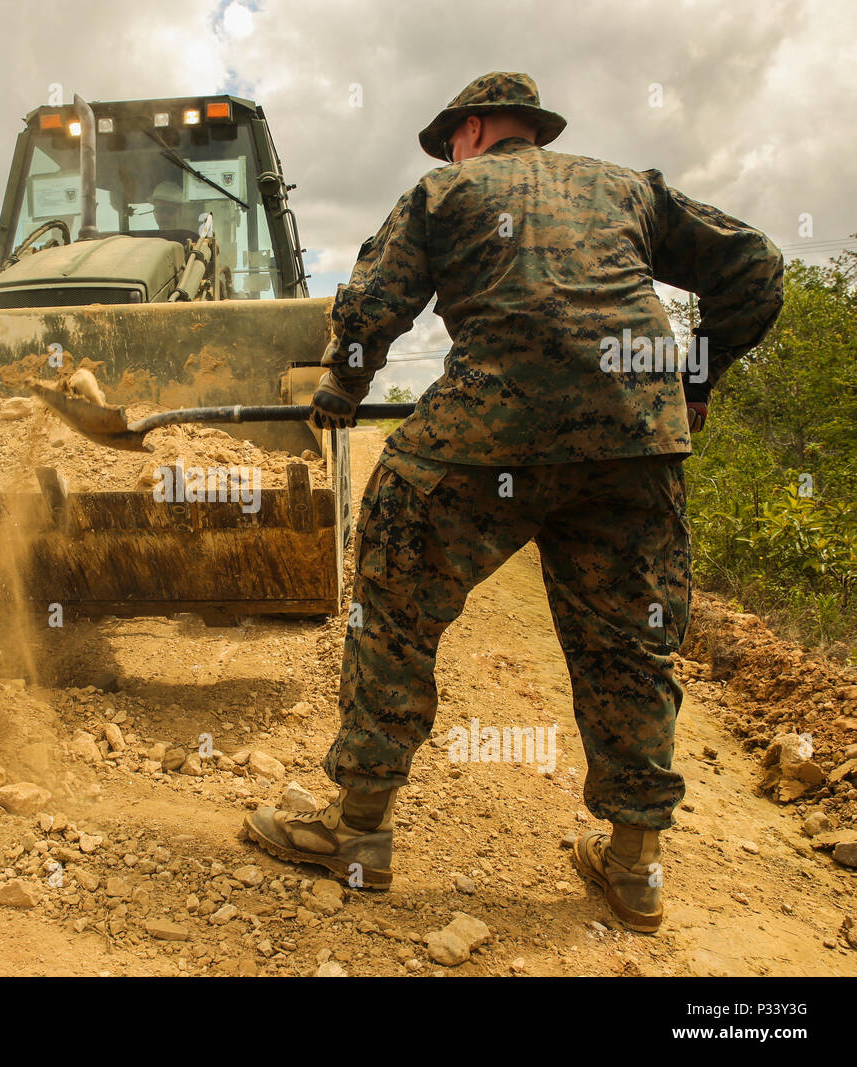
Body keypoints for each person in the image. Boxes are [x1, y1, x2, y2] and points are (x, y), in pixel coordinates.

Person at [242, 71, 784, 933]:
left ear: (477, 127)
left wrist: (344, 389)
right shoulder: (627, 188)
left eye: (448, 138)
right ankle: (636, 866)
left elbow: (376, 302)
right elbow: (755, 264)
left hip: (490, 430)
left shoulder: (446, 190)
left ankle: (358, 834)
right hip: (632, 437)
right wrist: (698, 376)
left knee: (393, 599)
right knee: (629, 641)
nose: (447, 152)